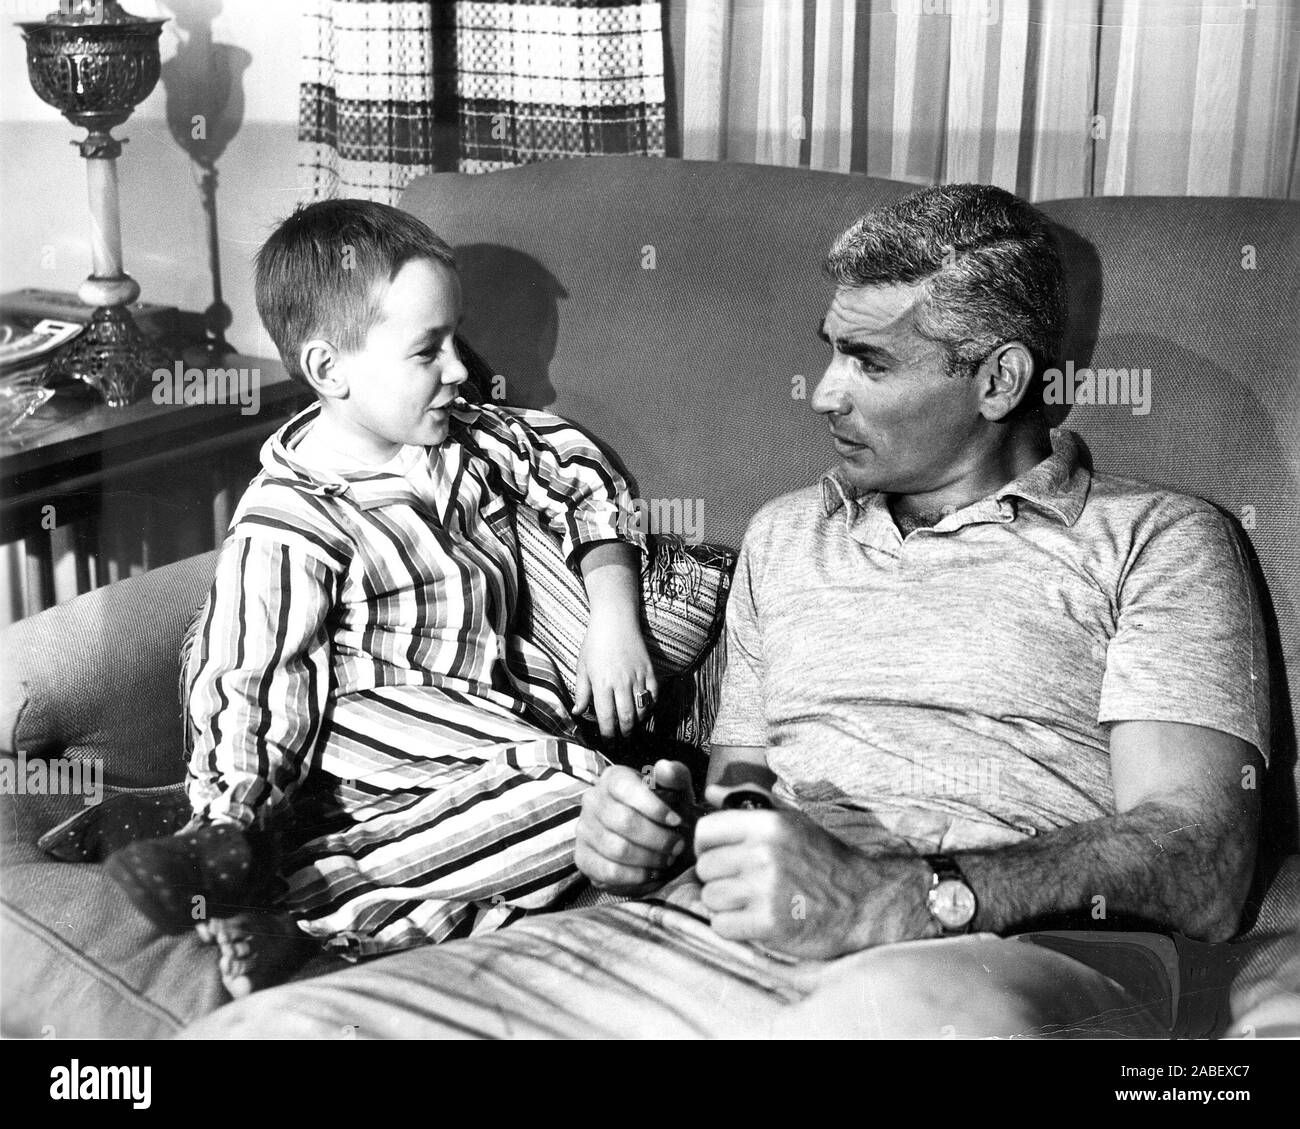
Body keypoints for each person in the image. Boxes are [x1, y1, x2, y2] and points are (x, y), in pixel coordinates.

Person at [182, 183, 1269, 1038]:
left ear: (998, 381)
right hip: (696, 933)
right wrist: (646, 829)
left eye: (868, 362)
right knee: (276, 1031)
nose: (824, 392)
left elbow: (1204, 861)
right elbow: (738, 780)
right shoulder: (787, 535)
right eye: (828, 350)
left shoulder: (1159, 538)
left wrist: (909, 896)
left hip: (979, 956)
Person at [107, 200, 656, 998]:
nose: (461, 369)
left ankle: (304, 914)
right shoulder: (290, 517)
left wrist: (612, 612)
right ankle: (231, 846)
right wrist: (230, 810)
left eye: (456, 339)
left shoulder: (469, 439)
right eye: (428, 350)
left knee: (583, 825)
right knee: (589, 795)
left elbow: (580, 476)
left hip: (482, 752)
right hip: (365, 746)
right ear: (330, 370)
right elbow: (253, 681)